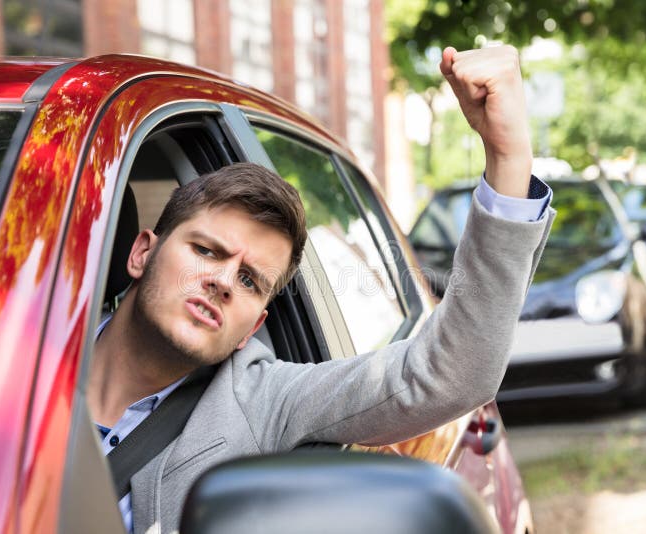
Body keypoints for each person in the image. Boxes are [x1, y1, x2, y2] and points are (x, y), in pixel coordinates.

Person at [88, 44, 554, 533]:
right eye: (206, 250)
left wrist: (508, 155)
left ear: (254, 327)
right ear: (142, 252)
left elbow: (449, 375)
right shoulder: (16, 358)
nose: (223, 281)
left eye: (250, 281)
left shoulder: (263, 402)